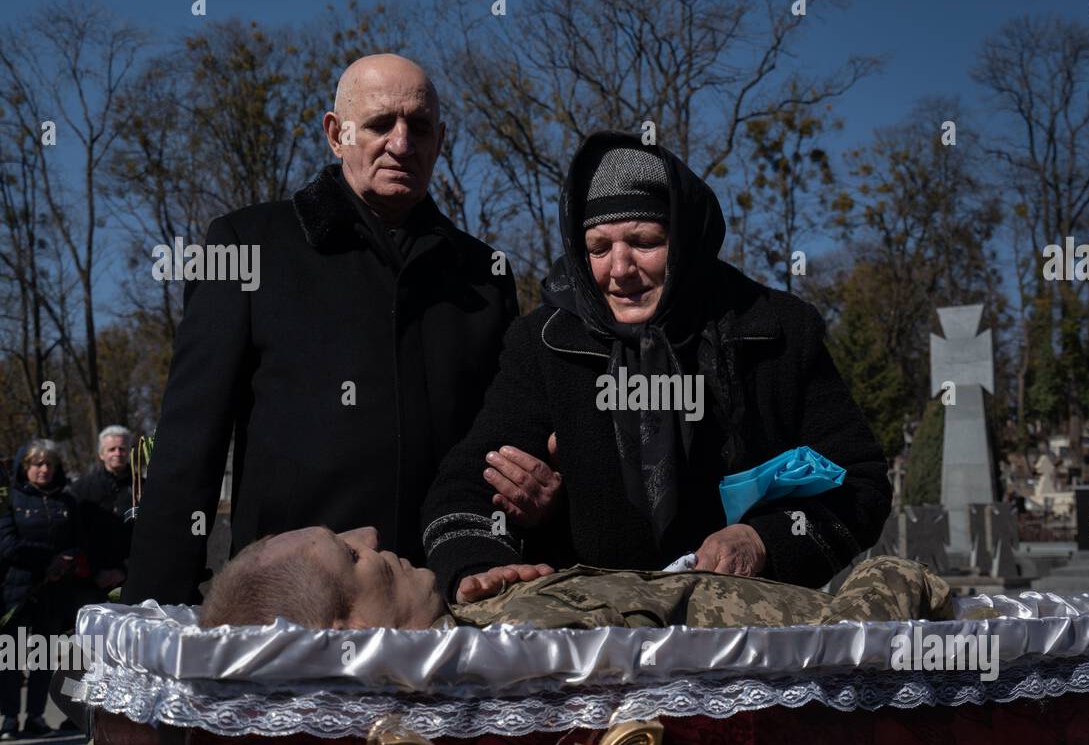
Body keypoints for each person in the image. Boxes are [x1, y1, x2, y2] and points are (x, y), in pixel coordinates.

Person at [123, 53, 556, 607]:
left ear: (440, 140)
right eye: (380, 124)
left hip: (441, 605)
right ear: (336, 133)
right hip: (290, 611)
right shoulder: (246, 245)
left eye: (419, 127)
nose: (402, 144)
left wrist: (538, 509)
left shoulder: (483, 276)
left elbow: (497, 450)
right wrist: (153, 607)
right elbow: (190, 444)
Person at [420, 131, 893, 605]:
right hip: (594, 636)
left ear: (687, 241)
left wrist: (765, 539)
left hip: (745, 631)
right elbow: (467, 484)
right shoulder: (545, 343)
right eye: (598, 248)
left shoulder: (779, 332)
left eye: (644, 242)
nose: (619, 269)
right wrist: (484, 561)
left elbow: (860, 482)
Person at [196, 525, 950, 630]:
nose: (371, 536)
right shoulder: (520, 653)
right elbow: (855, 634)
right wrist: (894, 571)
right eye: (351, 557)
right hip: (855, 622)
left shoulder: (475, 623)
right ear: (345, 637)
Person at [0, 441, 89, 739]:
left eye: (49, 464)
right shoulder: (10, 500)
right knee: (11, 658)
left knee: (42, 657)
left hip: (54, 593)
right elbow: (7, 546)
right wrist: (48, 559)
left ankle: (36, 717)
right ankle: (9, 719)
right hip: (18, 591)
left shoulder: (67, 502)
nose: (43, 469)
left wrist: (66, 561)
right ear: (25, 468)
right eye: (37, 464)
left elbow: (78, 542)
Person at [70, 425, 134, 595]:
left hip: (132, 578)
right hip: (89, 580)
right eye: (111, 449)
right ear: (101, 454)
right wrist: (94, 570)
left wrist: (124, 570)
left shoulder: (143, 488)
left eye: (122, 448)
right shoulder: (80, 489)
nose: (117, 453)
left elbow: (149, 535)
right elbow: (74, 534)